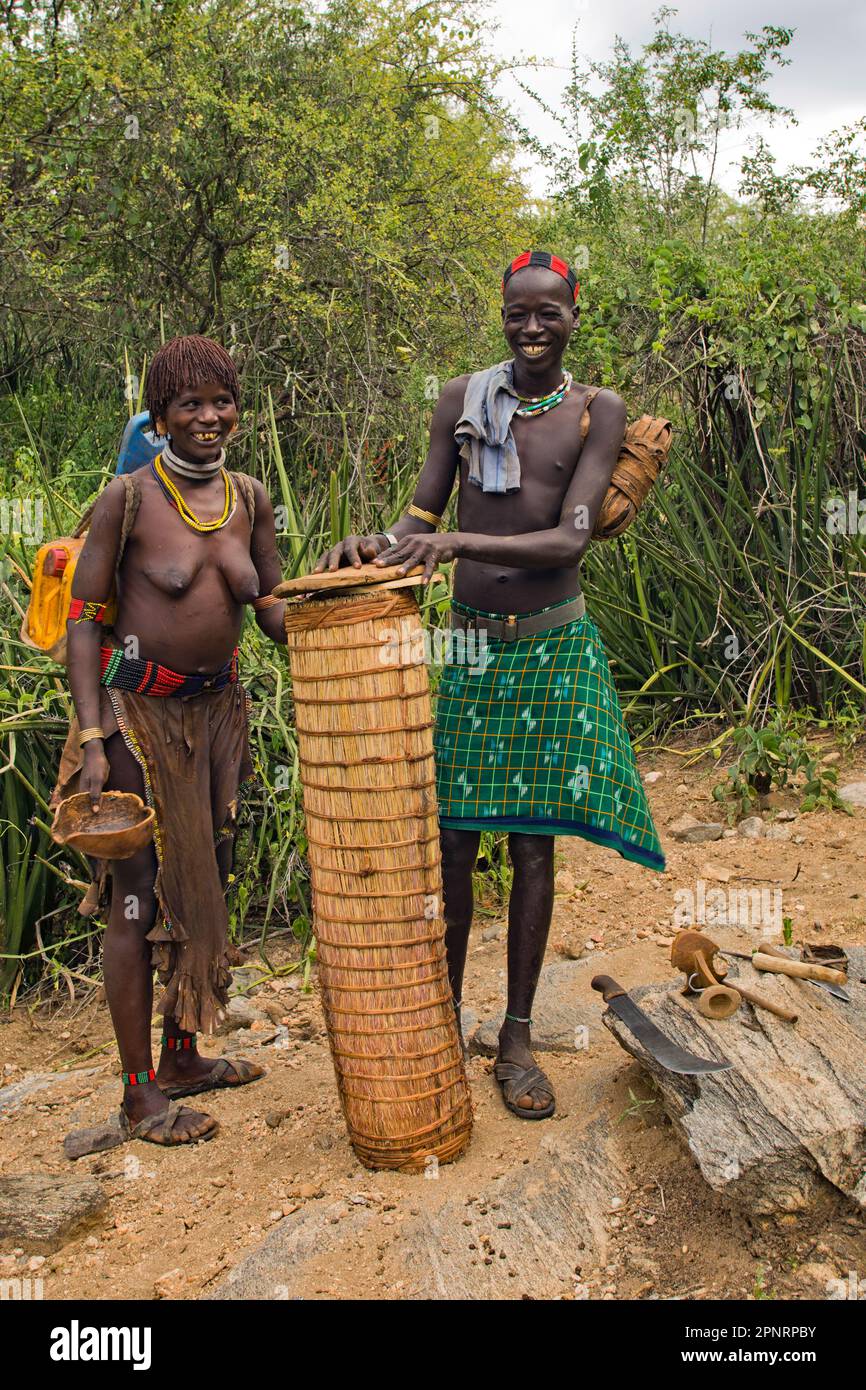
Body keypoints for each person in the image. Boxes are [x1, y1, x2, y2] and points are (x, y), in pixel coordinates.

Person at [315, 250, 665, 1120]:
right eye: (520, 312)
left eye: (551, 311)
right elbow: (424, 514)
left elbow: (567, 541)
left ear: (575, 314)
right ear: (502, 313)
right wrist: (373, 546)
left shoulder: (597, 412)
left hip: (551, 647)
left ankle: (515, 1037)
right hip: (469, 648)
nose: (534, 326)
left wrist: (459, 547)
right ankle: (446, 1018)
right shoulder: (462, 400)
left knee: (533, 846)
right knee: (454, 843)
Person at [53, 334, 288, 1145]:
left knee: (205, 886)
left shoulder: (252, 500)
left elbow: (274, 611)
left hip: (216, 719)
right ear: (161, 414)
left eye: (220, 401)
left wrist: (352, 592)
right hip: (134, 721)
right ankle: (138, 1094)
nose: (209, 417)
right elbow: (84, 624)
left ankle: (184, 1053)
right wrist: (91, 738)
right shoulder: (127, 499)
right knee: (137, 900)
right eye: (190, 404)